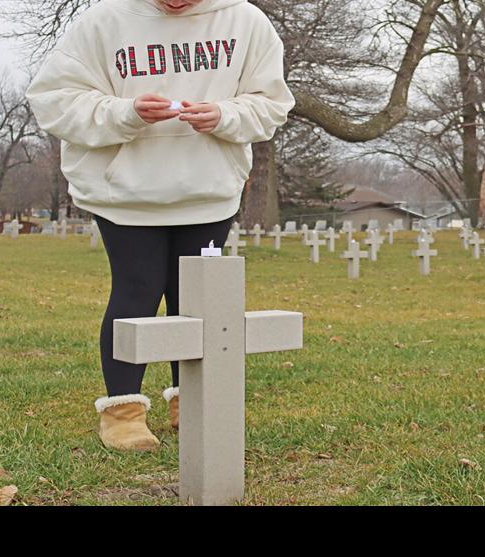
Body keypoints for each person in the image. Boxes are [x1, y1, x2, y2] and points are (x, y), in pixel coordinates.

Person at [26, 0, 293, 451]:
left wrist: (225, 116)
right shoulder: (102, 21)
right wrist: (126, 112)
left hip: (208, 190)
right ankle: (123, 413)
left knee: (196, 307)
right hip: (126, 194)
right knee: (136, 292)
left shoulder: (245, 20)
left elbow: (272, 103)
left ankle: (191, 404)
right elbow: (54, 101)